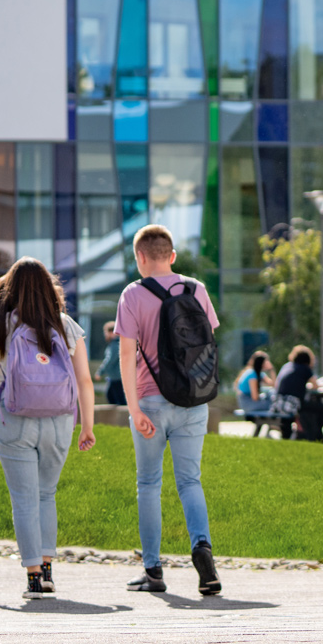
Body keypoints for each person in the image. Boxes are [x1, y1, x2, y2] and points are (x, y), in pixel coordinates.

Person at [0, 258, 95, 601]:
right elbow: (84, 380)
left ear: (10, 288)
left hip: (14, 418)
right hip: (60, 420)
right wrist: (87, 426)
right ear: (50, 288)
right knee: (46, 494)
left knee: (24, 499)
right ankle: (48, 569)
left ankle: (34, 576)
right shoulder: (65, 325)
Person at [117, 224, 222, 596]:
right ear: (173, 256)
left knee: (149, 484)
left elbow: (126, 355)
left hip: (150, 402)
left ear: (139, 257)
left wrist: (134, 409)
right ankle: (203, 551)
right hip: (194, 402)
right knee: (190, 481)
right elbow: (208, 341)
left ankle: (153, 570)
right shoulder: (197, 289)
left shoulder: (133, 294)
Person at [275, 346, 320, 440]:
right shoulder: (305, 368)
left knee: (308, 409)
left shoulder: (287, 366)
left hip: (279, 402)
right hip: (293, 403)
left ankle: (301, 433)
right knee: (321, 408)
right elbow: (316, 386)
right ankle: (315, 435)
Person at [235, 350, 276, 415]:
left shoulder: (259, 373)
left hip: (252, 402)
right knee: (273, 404)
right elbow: (255, 397)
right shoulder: (252, 374)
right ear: (261, 363)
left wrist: (271, 370)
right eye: (266, 362)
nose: (268, 363)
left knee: (272, 393)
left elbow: (273, 385)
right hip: (248, 403)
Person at [95, 320, 125, 406]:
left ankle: (123, 418)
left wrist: (100, 372)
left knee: (118, 400)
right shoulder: (116, 343)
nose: (105, 334)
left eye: (106, 332)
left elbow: (109, 360)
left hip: (117, 377)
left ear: (112, 332)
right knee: (111, 396)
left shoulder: (115, 345)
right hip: (114, 377)